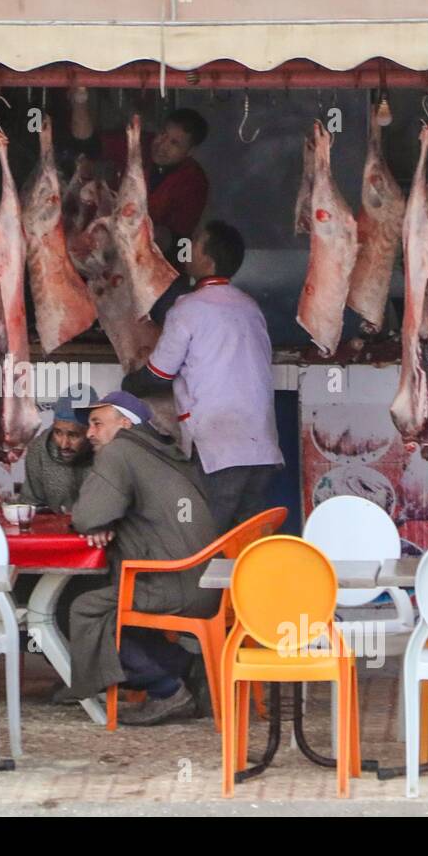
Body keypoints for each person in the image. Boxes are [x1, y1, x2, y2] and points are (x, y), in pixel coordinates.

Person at [65, 391, 219, 725]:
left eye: (96, 423)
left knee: (78, 607)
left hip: (173, 582)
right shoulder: (161, 450)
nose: (89, 433)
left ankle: (166, 690)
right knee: (112, 603)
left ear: (125, 424)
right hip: (204, 581)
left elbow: (88, 515)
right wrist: (106, 520)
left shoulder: (120, 450)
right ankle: (186, 668)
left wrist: (99, 521)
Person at [121, 221, 284, 534]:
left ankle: (202, 586)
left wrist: (128, 385)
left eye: (193, 244)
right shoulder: (250, 307)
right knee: (250, 543)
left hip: (219, 447)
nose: (186, 249)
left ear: (207, 260)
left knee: (203, 539)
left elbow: (158, 374)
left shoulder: (189, 309)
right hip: (261, 445)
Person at [68, 87, 210, 270]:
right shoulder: (137, 143)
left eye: (174, 143)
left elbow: (177, 239)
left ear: (190, 152)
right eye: (163, 134)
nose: (162, 145)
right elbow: (87, 143)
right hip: (104, 256)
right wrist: (80, 99)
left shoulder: (194, 181)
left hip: (155, 265)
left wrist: (140, 231)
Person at [20, 385, 98, 512]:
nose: (64, 444)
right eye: (58, 432)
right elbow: (30, 505)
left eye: (74, 435)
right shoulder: (39, 450)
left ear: (90, 431)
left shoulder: (108, 452)